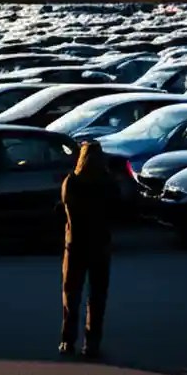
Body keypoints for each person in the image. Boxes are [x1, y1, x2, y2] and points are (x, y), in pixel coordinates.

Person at [59, 140, 114, 359]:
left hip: (76, 246)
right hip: (100, 246)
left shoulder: (72, 182)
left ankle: (67, 340)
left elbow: (69, 212)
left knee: (71, 296)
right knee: (97, 297)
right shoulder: (108, 183)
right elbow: (118, 208)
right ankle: (92, 343)